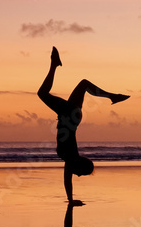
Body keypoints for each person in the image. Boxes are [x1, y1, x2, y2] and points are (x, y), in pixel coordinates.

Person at [37, 47, 128, 203]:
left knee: (84, 84)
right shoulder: (70, 157)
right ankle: (53, 64)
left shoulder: (71, 158)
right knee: (42, 94)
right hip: (68, 117)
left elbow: (67, 180)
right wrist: (70, 200)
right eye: (81, 173)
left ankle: (112, 96)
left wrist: (71, 200)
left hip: (72, 117)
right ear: (79, 165)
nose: (78, 176)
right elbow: (67, 180)